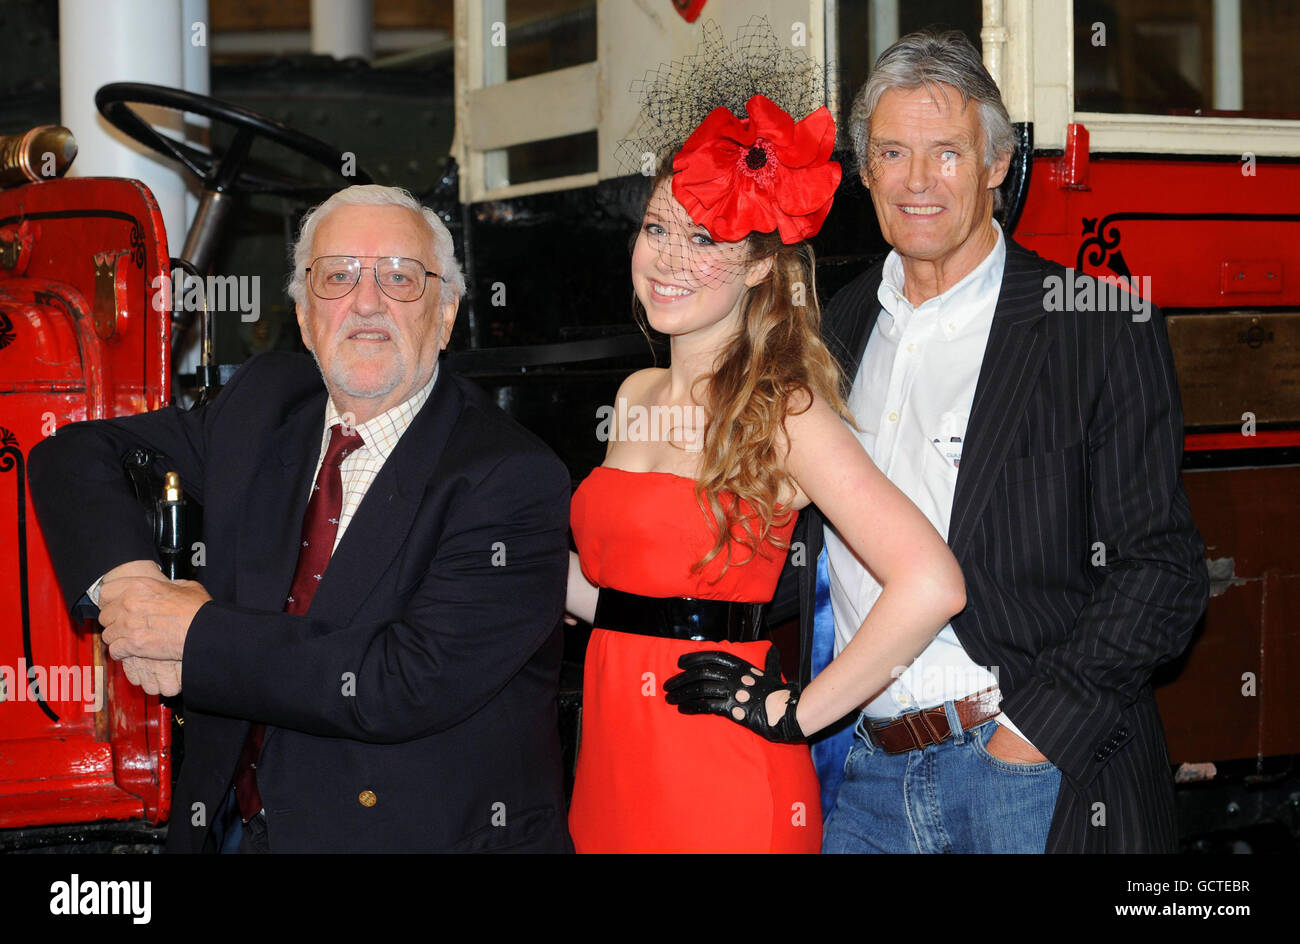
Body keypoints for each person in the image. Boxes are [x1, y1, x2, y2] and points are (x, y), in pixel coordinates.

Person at [27, 184, 573, 853]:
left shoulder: (508, 475)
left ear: (447, 311)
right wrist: (132, 589)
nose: (366, 302)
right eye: (337, 276)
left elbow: (398, 683)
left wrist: (193, 636)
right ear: (306, 314)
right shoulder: (266, 404)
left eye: (400, 278)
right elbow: (75, 453)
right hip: (231, 826)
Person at [784, 31, 1209, 853]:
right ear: (864, 172)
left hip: (1025, 770)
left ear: (996, 167)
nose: (916, 181)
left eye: (947, 152)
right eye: (892, 153)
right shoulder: (835, 330)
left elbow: (1161, 571)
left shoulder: (1096, 326)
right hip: (869, 777)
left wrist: (1032, 737)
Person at [564, 81, 967, 852]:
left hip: (720, 775)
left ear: (758, 268)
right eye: (656, 228)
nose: (667, 258)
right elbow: (618, 600)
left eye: (705, 239)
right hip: (613, 762)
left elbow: (932, 581)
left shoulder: (785, 412)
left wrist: (798, 713)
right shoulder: (635, 391)